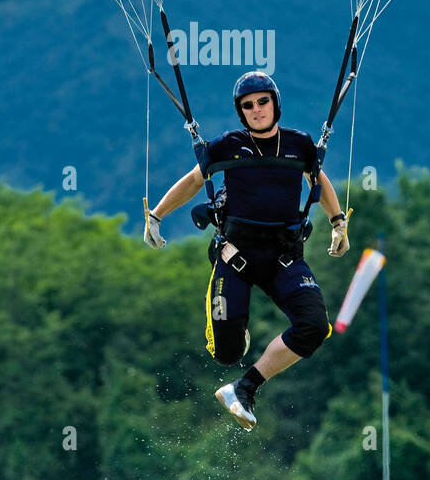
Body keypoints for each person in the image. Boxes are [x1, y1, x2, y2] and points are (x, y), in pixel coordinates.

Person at [144, 71, 350, 430]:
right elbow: (195, 180)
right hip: (235, 259)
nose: (257, 110)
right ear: (241, 112)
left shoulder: (299, 145)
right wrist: (156, 215)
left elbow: (319, 179)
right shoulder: (228, 145)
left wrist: (337, 222)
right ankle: (236, 336)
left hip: (284, 259)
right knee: (226, 352)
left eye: (263, 101)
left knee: (315, 326)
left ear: (275, 103)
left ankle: (244, 389)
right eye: (248, 106)